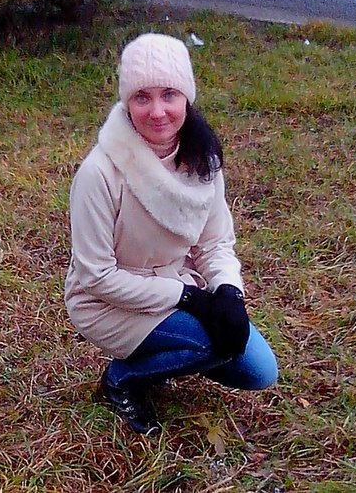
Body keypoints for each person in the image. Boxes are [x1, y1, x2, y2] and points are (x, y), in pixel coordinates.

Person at [65, 33, 278, 434]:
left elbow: (215, 242)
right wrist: (188, 298)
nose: (157, 111)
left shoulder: (201, 157)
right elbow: (96, 276)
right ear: (127, 103)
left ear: (186, 98)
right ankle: (121, 379)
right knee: (208, 343)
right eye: (142, 97)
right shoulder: (99, 173)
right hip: (107, 302)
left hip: (174, 284)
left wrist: (228, 292)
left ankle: (167, 350)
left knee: (258, 370)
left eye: (169, 95)